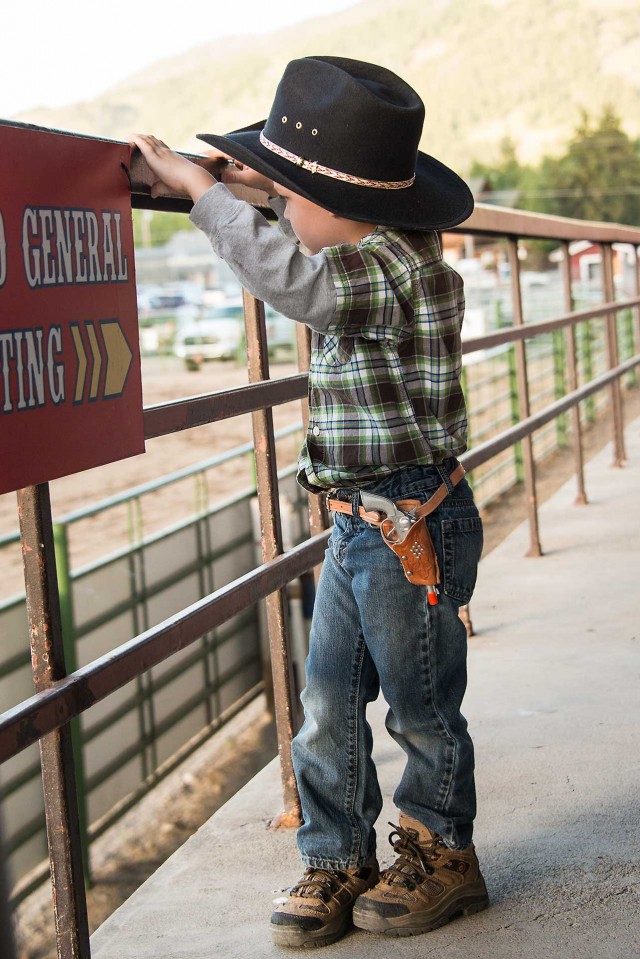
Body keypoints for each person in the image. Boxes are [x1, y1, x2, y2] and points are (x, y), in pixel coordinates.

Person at [130, 54, 488, 949]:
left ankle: (444, 851)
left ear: (341, 202)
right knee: (328, 701)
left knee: (420, 704)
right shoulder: (370, 244)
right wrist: (243, 182)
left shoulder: (386, 270)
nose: (279, 211)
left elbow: (298, 278)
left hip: (409, 518)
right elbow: (307, 237)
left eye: (287, 196)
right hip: (360, 521)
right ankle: (336, 855)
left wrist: (202, 193)